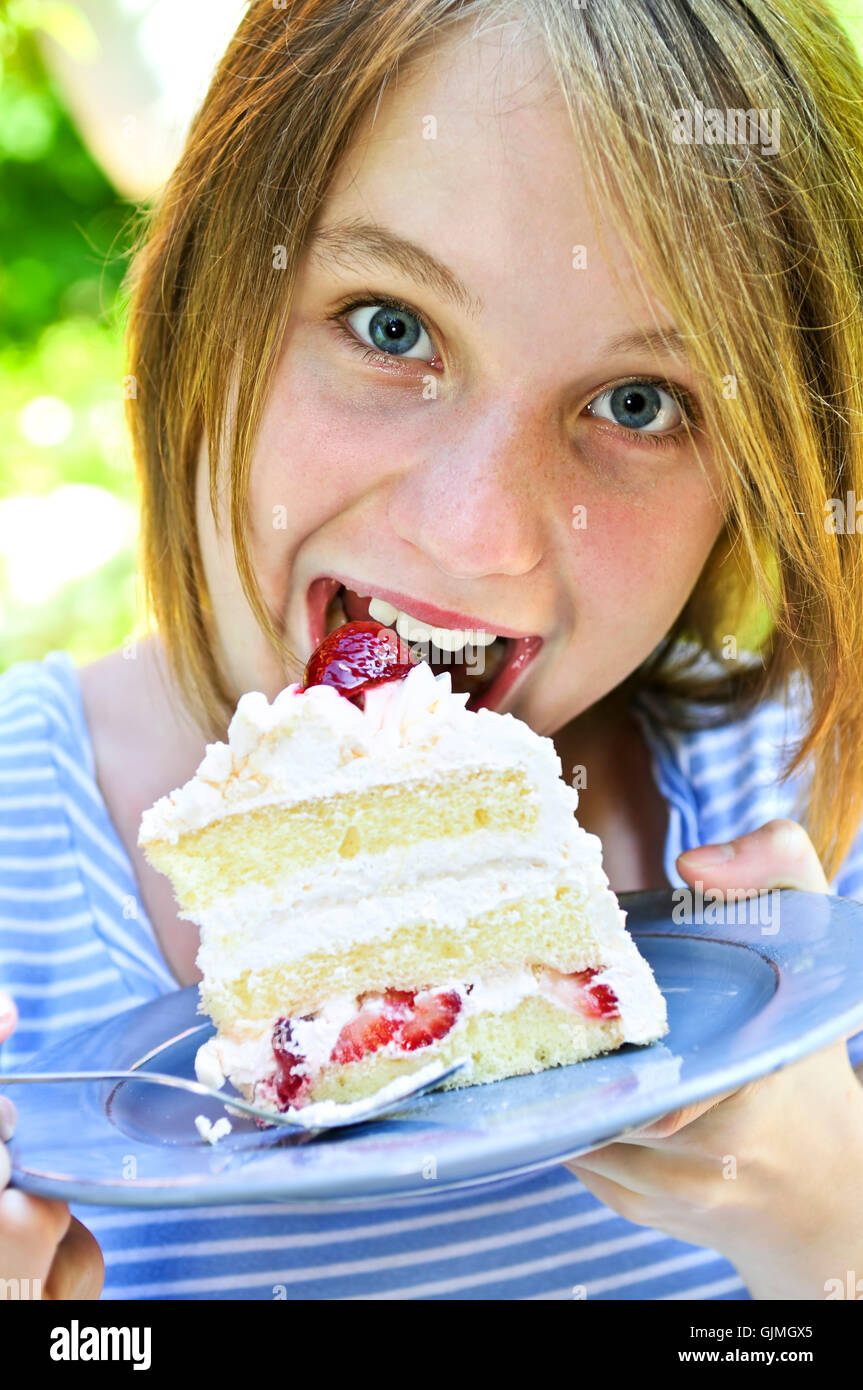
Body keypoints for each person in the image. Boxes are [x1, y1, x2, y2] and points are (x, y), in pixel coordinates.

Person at [2, 0, 863, 1301]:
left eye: (639, 404)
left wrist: (832, 1238)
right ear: (200, 287)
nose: (476, 536)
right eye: (390, 327)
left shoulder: (819, 827)